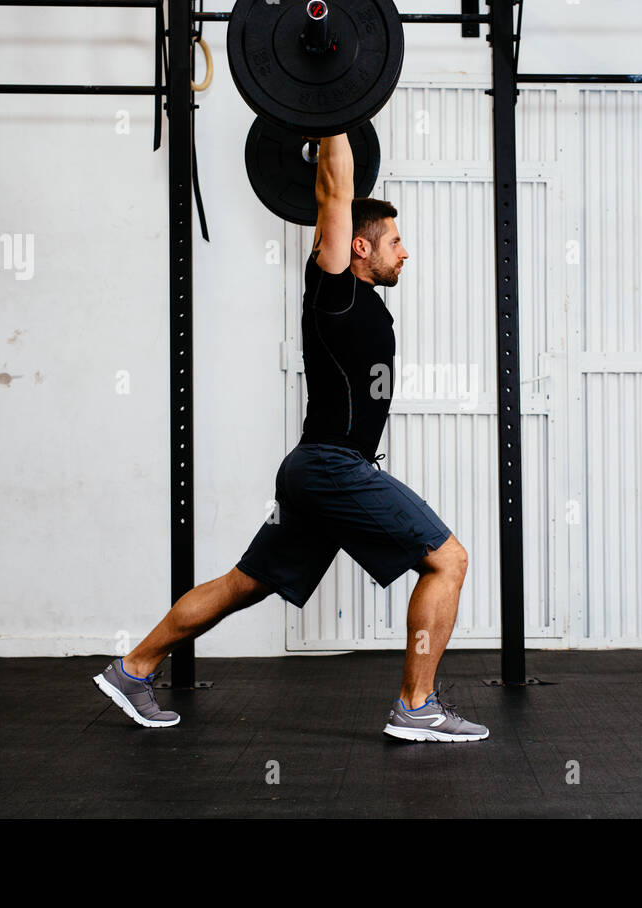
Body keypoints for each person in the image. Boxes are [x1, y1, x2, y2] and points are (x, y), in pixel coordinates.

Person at [92, 133, 488, 743]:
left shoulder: (362, 300)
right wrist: (333, 113)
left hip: (318, 473)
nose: (405, 252)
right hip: (332, 468)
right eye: (395, 241)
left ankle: (133, 668)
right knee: (448, 559)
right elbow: (334, 189)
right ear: (358, 246)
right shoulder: (334, 288)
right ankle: (416, 705)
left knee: (243, 583)